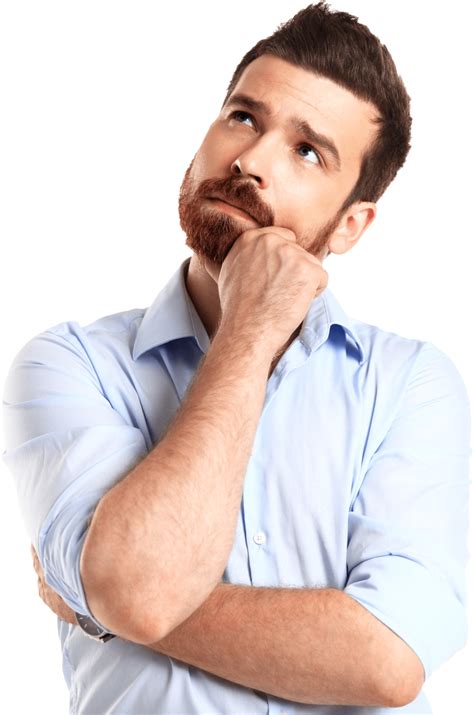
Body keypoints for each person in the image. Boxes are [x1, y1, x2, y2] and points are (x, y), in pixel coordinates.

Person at [2, 2, 470, 713]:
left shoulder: (411, 384)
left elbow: (385, 657)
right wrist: (250, 328)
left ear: (350, 224)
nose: (249, 161)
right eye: (243, 117)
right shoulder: (69, 365)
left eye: (307, 151)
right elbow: (139, 589)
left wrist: (112, 606)